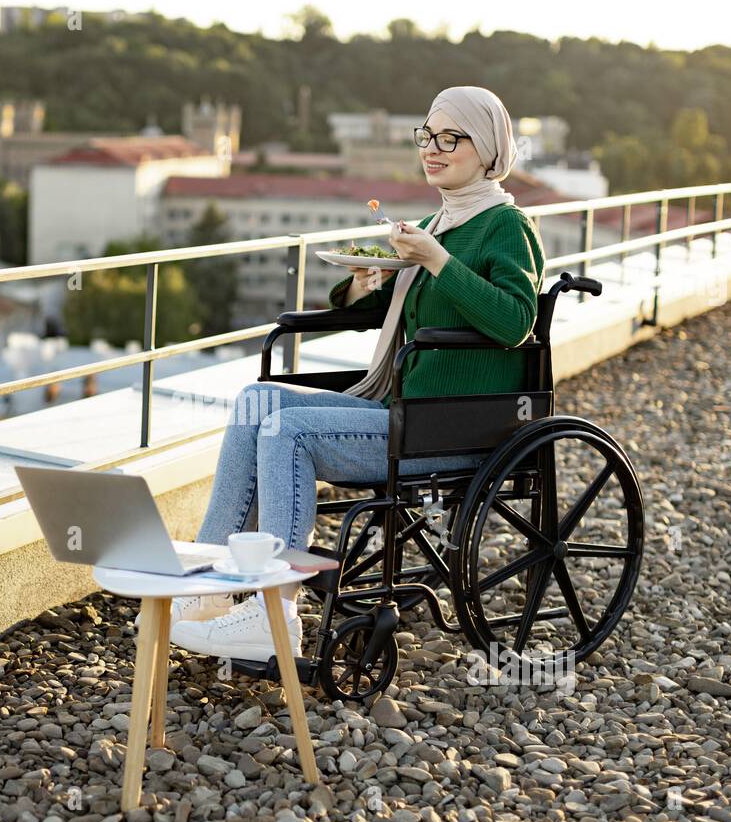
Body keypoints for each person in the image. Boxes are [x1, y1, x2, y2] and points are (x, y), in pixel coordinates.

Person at [167, 85, 546, 660]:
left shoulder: (504, 228)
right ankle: (214, 584)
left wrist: (437, 262)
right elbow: (371, 311)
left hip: (452, 425)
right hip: (399, 404)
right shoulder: (435, 222)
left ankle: (276, 611)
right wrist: (362, 281)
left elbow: (515, 321)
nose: (432, 148)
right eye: (426, 135)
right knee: (253, 401)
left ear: (488, 146)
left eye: (450, 137)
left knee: (286, 432)